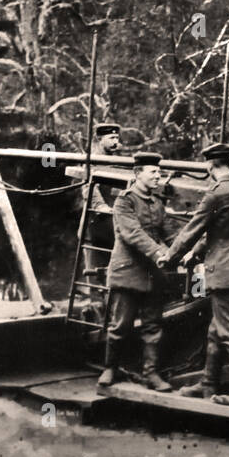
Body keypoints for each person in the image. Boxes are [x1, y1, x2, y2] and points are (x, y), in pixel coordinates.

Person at [167, 142, 229, 407]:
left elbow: (193, 229)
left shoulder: (216, 193)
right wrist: (195, 253)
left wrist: (170, 256)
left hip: (224, 271)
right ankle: (208, 382)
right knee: (215, 329)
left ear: (209, 165)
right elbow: (222, 230)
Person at [98, 151, 176, 391]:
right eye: (153, 172)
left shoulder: (157, 203)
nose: (158, 176)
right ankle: (110, 368)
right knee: (121, 325)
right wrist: (159, 253)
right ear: (137, 174)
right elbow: (132, 234)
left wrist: (183, 249)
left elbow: (169, 233)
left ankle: (151, 374)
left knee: (153, 325)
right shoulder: (125, 201)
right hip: (128, 272)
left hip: (152, 274)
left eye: (159, 172)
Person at [82, 122, 122, 273]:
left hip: (111, 222)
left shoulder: (115, 161)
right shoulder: (92, 161)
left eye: (117, 138)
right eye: (111, 138)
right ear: (99, 139)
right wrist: (100, 206)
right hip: (95, 221)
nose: (115, 142)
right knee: (94, 268)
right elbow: (88, 186)